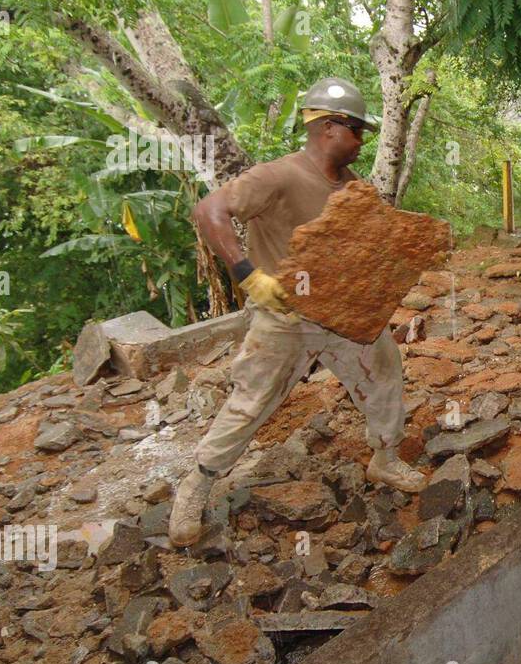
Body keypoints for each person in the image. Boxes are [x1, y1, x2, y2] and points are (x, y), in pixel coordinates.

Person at [168, 77, 425, 547]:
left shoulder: (354, 189)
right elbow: (209, 212)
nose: (362, 141)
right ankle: (197, 485)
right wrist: (248, 274)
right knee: (252, 402)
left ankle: (384, 459)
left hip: (341, 314)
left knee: (385, 369)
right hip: (283, 315)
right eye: (356, 130)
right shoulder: (278, 176)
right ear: (329, 127)